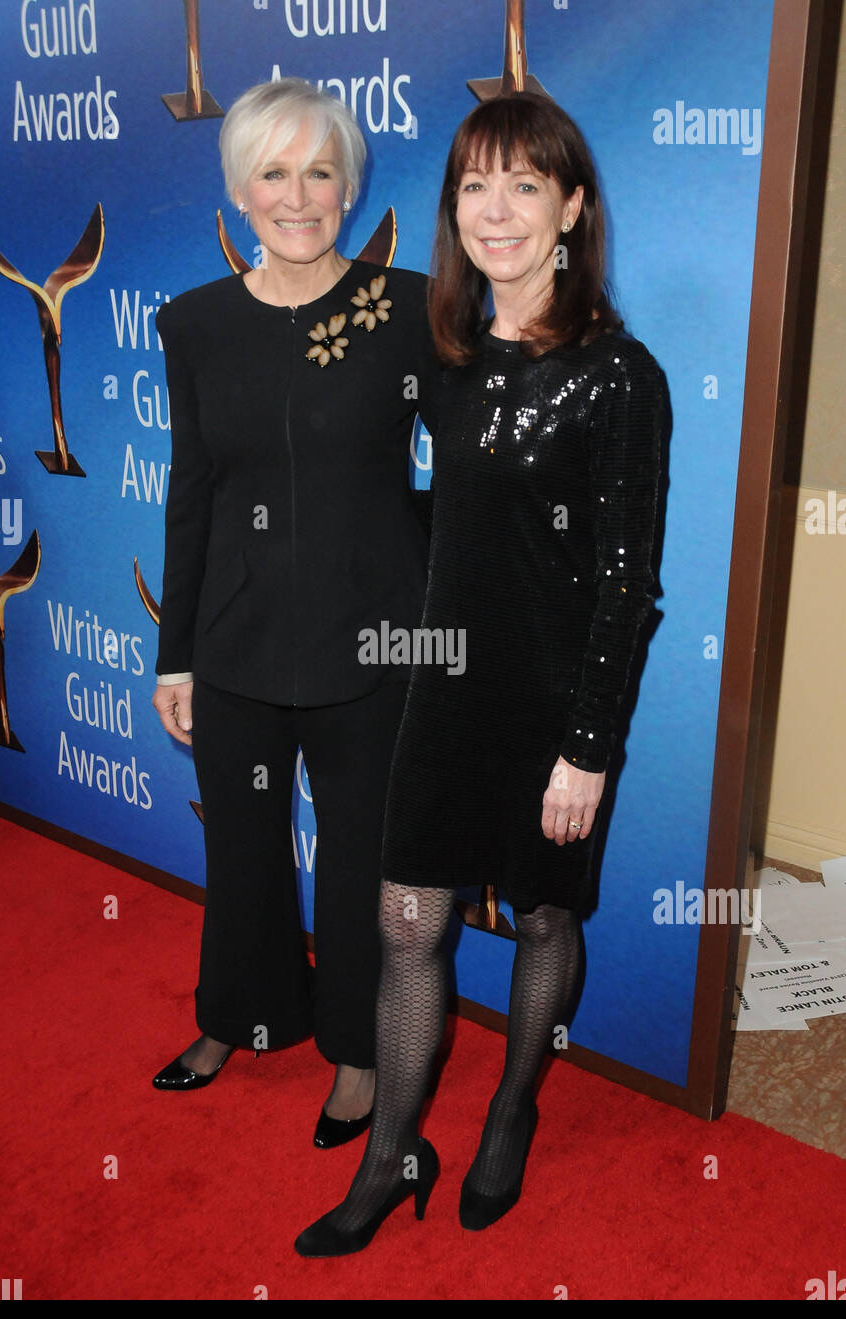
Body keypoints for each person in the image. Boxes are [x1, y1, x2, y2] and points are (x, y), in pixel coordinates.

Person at [295, 90, 667, 1254]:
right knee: (408, 923)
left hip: (556, 709)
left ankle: (512, 1103)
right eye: (472, 186)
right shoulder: (442, 352)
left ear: (571, 207)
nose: (494, 210)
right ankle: (394, 1148)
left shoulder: (620, 374)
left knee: (544, 915)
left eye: (522, 184)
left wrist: (588, 749)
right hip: (443, 691)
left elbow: (625, 585)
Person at [150, 77, 438, 1149]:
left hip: (373, 647)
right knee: (246, 852)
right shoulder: (195, 323)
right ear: (238, 189)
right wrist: (173, 654)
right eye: (274, 171)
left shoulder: (406, 307)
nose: (299, 194)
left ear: (349, 185)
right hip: (233, 646)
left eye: (321, 170)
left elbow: (462, 467)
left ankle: (357, 1053)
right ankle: (242, 1014)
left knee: (362, 857)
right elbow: (194, 494)